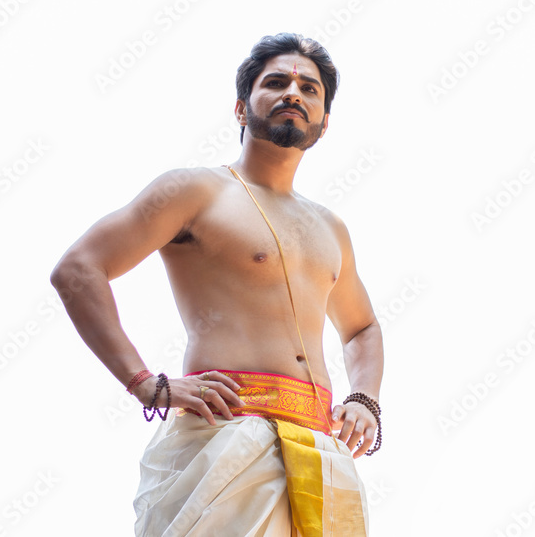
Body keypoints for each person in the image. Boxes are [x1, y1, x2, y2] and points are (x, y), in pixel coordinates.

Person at [49, 33, 383, 536]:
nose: (294, 92)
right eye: (276, 82)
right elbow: (78, 270)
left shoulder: (331, 228)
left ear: (324, 123)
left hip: (321, 453)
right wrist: (145, 384)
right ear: (241, 108)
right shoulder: (195, 191)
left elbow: (362, 329)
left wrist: (365, 400)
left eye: (310, 89)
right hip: (224, 439)